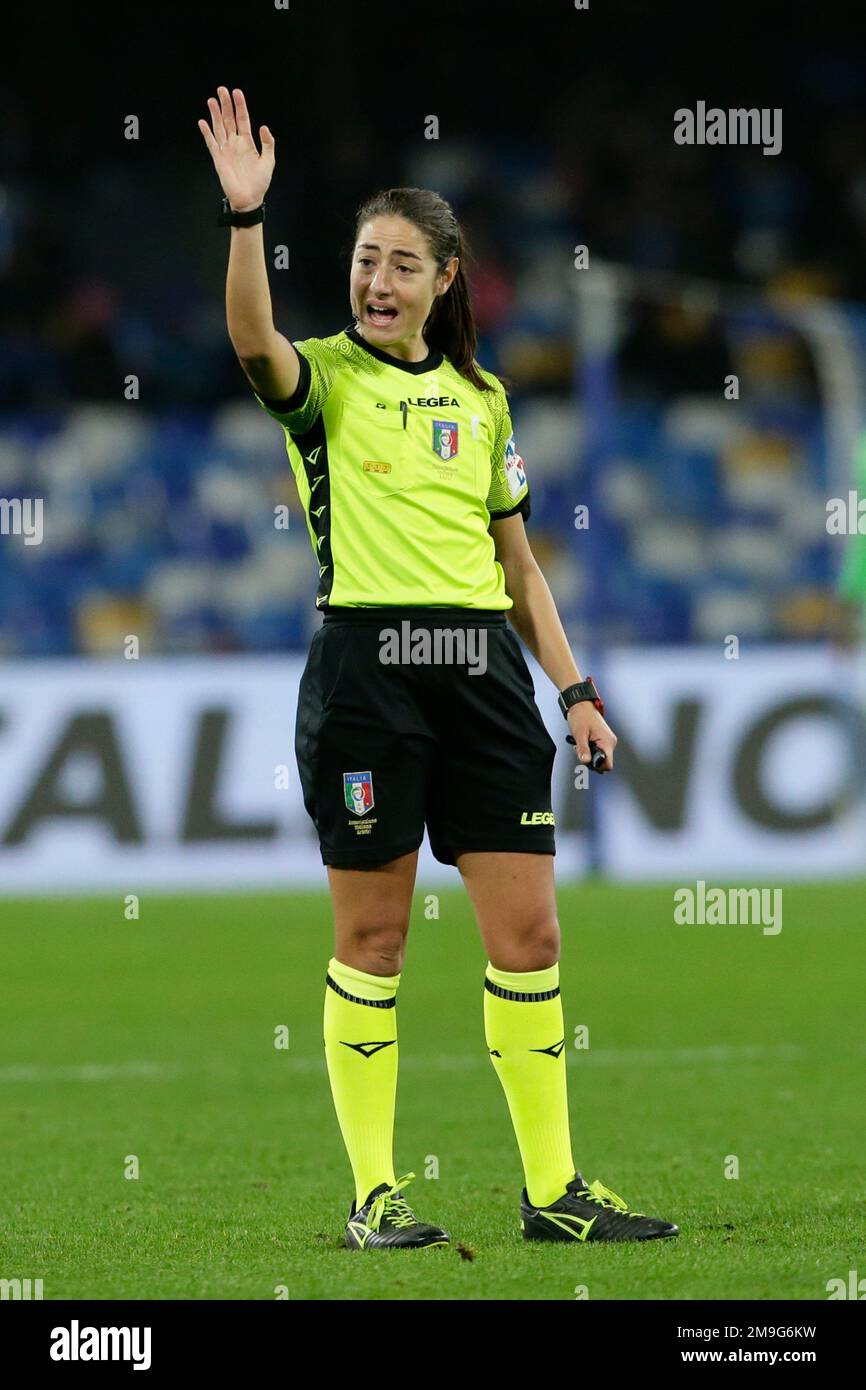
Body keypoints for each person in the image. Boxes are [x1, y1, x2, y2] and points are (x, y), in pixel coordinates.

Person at [199, 86, 679, 1249]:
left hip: (481, 677)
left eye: (401, 264)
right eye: (367, 259)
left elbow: (519, 570)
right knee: (374, 941)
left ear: (444, 278)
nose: (377, 280)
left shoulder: (481, 398)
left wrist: (574, 692)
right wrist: (245, 217)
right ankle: (374, 1194)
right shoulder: (322, 381)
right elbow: (250, 341)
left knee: (531, 938)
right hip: (367, 669)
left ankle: (553, 1193)